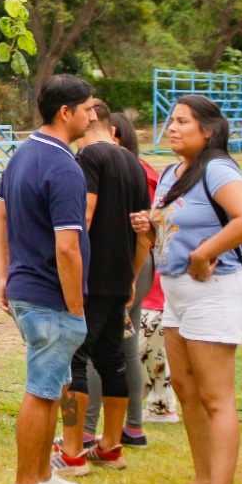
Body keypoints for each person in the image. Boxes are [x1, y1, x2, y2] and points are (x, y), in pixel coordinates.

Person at [135, 95, 242, 484]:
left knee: (215, 396)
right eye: (171, 120)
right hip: (177, 293)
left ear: (207, 130)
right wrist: (150, 225)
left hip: (215, 292)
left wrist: (205, 252)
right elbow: (172, 228)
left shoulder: (217, 169)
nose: (172, 127)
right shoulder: (174, 173)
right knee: (187, 390)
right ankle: (204, 482)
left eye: (183, 122)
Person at [0, 74, 95, 484]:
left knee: (55, 386)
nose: (93, 115)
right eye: (87, 108)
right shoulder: (64, 167)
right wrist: (76, 305)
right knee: (41, 390)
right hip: (51, 295)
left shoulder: (24, 153)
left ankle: (43, 475)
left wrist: (4, 273)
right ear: (65, 112)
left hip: (28, 288)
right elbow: (67, 247)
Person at [54, 100, 151, 476]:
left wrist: (70, 270)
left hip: (90, 279)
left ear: (89, 118)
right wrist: (131, 277)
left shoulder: (89, 158)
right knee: (112, 359)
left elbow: (85, 215)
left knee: (72, 359)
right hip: (119, 279)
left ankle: (72, 450)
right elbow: (144, 231)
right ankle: (111, 446)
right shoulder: (134, 163)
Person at [83, 113, 165, 448]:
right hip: (133, 267)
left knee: (94, 350)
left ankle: (86, 431)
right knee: (125, 347)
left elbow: (144, 229)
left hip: (119, 268)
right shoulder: (139, 167)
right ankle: (132, 428)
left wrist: (130, 274)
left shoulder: (99, 163)